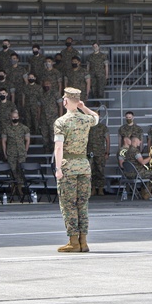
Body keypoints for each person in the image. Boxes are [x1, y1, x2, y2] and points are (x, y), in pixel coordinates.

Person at [53, 87, 99, 253]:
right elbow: (96, 117)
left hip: (68, 167)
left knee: (69, 205)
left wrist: (58, 168)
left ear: (65, 101)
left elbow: (59, 148)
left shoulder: (61, 122)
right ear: (77, 101)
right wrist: (83, 107)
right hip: (84, 166)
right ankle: (83, 242)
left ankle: (73, 242)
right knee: (82, 205)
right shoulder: (86, 119)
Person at [117, 135, 152, 201]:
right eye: (139, 140)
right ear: (135, 141)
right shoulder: (135, 151)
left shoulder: (127, 151)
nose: (140, 142)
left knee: (148, 173)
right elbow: (142, 162)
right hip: (137, 173)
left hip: (128, 174)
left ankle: (145, 193)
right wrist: (151, 156)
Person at [1, 110, 31, 193]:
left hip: (21, 153)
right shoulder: (6, 128)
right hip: (11, 153)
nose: (15, 119)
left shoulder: (24, 128)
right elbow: (3, 141)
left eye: (16, 117)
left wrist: (25, 151)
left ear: (19, 117)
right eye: (13, 117)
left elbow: (27, 140)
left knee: (20, 171)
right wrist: (5, 153)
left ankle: (20, 189)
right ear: (10, 118)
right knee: (12, 170)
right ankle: (13, 188)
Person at [87, 116, 109, 197]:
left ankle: (100, 188)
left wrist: (107, 152)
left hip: (100, 153)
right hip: (90, 152)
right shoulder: (88, 126)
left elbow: (107, 140)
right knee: (91, 171)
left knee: (100, 170)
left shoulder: (103, 127)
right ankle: (93, 188)